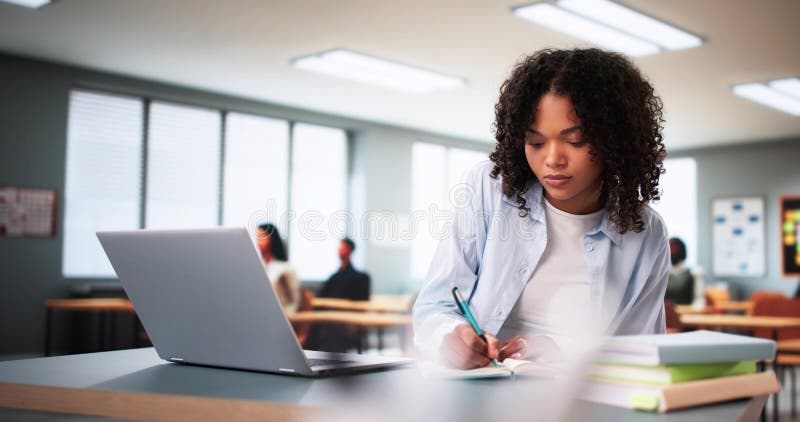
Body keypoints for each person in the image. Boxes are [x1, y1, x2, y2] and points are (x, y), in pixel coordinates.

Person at [412, 48, 670, 369]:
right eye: (535, 142)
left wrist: (560, 349)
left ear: (615, 141)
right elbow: (433, 306)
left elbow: (641, 347)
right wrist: (449, 335)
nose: (552, 159)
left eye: (575, 141)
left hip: (577, 402)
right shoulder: (488, 190)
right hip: (478, 390)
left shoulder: (644, 231)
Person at [306, 238, 371, 353]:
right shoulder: (334, 277)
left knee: (332, 330)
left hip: (343, 320)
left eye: (343, 247)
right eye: (339, 248)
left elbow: (361, 299)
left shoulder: (360, 277)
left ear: (350, 250)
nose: (340, 250)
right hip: (329, 317)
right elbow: (322, 295)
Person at [256, 223, 300, 312]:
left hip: (280, 315)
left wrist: (286, 317)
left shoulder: (285, 268)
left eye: (261, 236)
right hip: (260, 311)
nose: (257, 241)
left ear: (272, 238)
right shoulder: (258, 265)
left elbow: (293, 301)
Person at [665, 237, 695, 305]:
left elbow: (698, 300)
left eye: (673, 247)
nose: (670, 250)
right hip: (667, 311)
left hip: (686, 310)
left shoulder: (692, 273)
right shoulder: (662, 273)